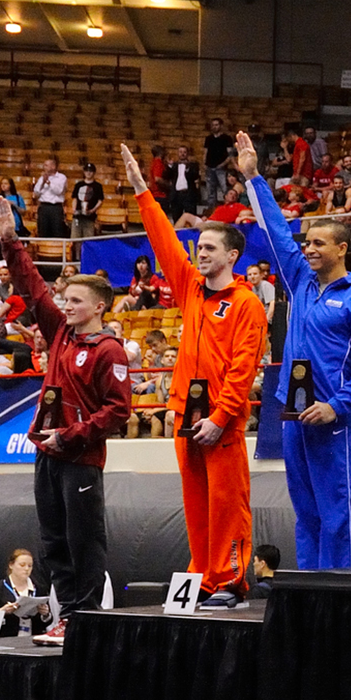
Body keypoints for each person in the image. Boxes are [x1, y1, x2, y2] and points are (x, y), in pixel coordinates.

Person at [123, 144, 266, 609]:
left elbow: (243, 369)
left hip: (221, 426)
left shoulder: (245, 304)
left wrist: (222, 417)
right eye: (198, 247)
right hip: (186, 419)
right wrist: (144, 193)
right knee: (198, 509)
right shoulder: (190, 290)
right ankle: (201, 577)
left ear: (233, 255)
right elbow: (165, 243)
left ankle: (230, 582)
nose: (199, 254)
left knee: (228, 507)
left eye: (209, 248)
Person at [0, 185, 131, 643]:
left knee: (82, 539)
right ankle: (65, 616)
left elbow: (118, 411)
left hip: (79, 458)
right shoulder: (60, 336)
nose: (66, 306)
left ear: (99, 307)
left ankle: (83, 616)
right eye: (65, 300)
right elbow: (32, 290)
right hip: (46, 454)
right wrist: (12, 242)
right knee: (52, 539)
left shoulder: (108, 349)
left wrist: (70, 437)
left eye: (75, 301)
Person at [245, 134, 351, 572]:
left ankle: (338, 593)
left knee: (336, 513)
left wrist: (336, 406)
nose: (308, 249)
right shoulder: (300, 282)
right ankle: (307, 588)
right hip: (292, 414)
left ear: (342, 249)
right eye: (306, 243)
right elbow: (274, 231)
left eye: (318, 244)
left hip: (331, 420)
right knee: (305, 512)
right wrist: (253, 177)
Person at [0, 549, 51, 639]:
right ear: (11, 565)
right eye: (22, 565)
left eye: (30, 566)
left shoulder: (39, 588)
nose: (26, 569)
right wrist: (3, 611)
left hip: (32, 640)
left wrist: (45, 614)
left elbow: (47, 622)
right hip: (6, 639)